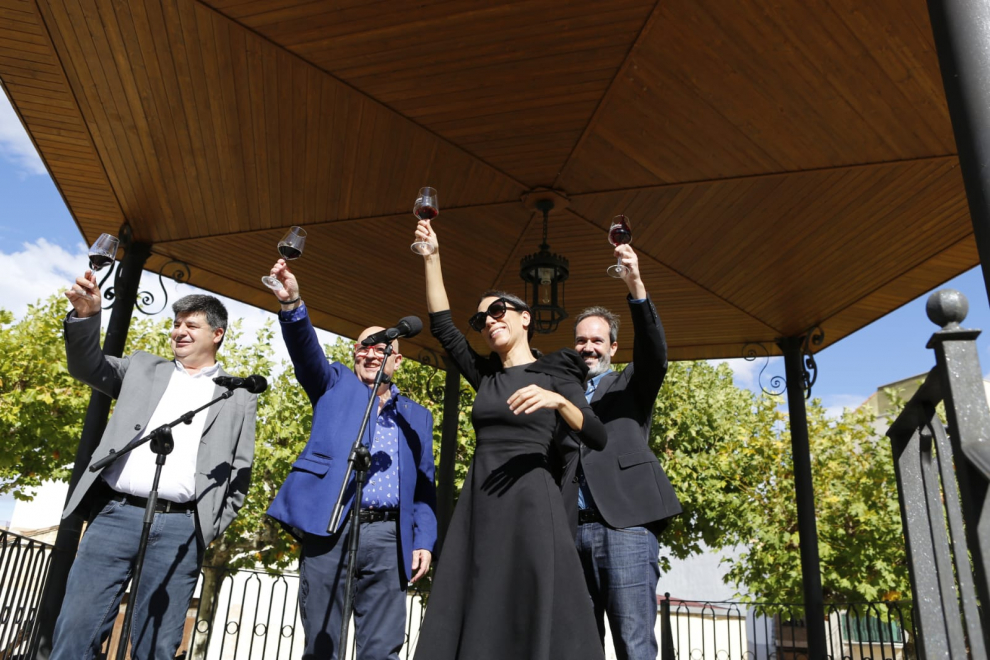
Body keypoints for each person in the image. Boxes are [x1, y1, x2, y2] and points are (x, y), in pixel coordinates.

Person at [411, 219, 608, 660]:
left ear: (525, 318)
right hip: (481, 504)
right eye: (482, 319)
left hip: (531, 506)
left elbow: (597, 434)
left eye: (498, 310)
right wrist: (432, 258)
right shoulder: (485, 377)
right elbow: (443, 326)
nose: (489, 321)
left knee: (529, 602)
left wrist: (557, 401)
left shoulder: (555, 372)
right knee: (478, 599)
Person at [52, 271, 258, 660]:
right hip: (114, 516)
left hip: (182, 528)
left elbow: (239, 470)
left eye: (191, 325)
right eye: (176, 324)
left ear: (217, 334)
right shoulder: (143, 367)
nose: (179, 331)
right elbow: (86, 366)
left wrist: (208, 525)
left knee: (157, 644)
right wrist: (86, 317)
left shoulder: (238, 394)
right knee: (76, 631)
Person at [264, 259, 437, 660]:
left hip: (389, 536)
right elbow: (306, 352)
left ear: (397, 361)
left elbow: (426, 485)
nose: (373, 354)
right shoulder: (333, 383)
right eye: (365, 347)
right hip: (331, 526)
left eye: (383, 348)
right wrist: (292, 306)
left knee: (382, 648)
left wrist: (424, 539)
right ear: (354, 354)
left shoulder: (418, 416)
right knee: (323, 644)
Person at [562, 244, 682, 660]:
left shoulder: (632, 384)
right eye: (581, 340)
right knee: (579, 647)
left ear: (613, 347)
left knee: (634, 644)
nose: (588, 347)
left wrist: (635, 285)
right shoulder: (560, 394)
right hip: (571, 531)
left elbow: (654, 352)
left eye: (597, 340)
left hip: (626, 527)